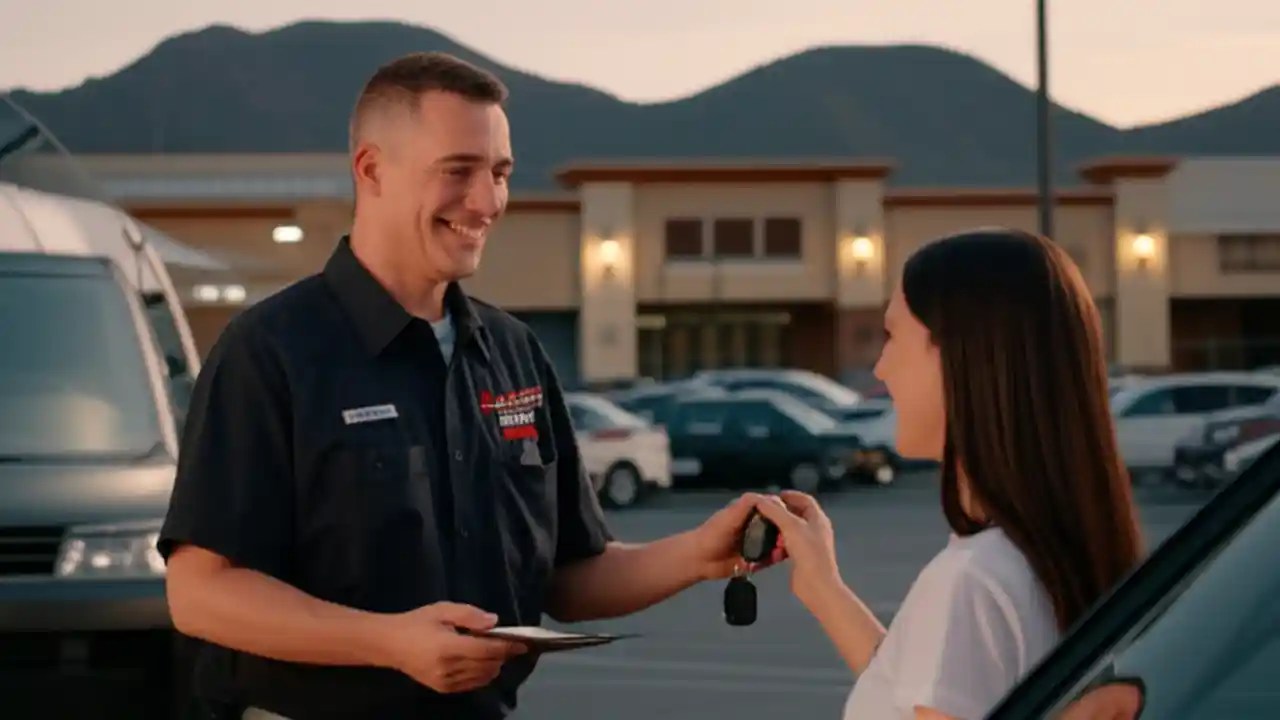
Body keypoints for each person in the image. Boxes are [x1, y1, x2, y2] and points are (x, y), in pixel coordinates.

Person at [158, 51, 765, 720]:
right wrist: (387, 643)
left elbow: (570, 577)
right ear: (372, 170)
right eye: (459, 171)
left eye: (500, 173)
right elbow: (200, 594)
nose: (487, 202)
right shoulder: (271, 352)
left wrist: (698, 554)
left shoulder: (511, 353)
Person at [751, 228, 1145, 720]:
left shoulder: (970, 582)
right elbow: (919, 689)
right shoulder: (1037, 561)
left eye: (893, 336)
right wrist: (822, 586)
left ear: (962, 357)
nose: (880, 368)